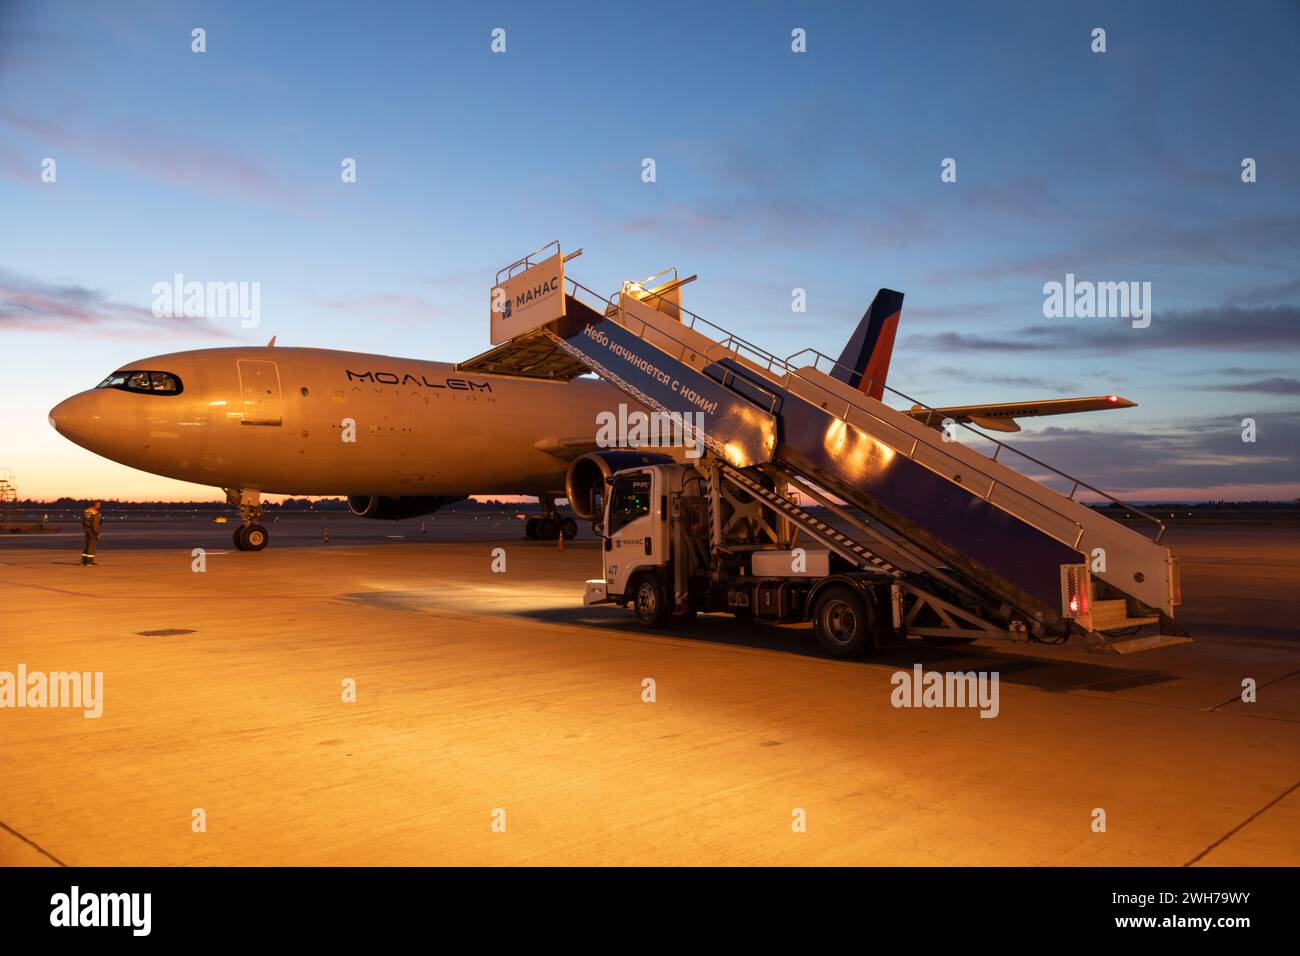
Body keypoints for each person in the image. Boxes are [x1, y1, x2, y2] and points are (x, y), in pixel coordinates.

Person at [81, 500, 102, 566]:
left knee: (87, 545)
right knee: (92, 546)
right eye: (99, 504)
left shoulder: (87, 511)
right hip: (92, 531)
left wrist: (86, 529)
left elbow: (83, 521)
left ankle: (83, 562)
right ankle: (89, 562)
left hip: (87, 530)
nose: (100, 506)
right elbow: (95, 524)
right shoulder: (95, 513)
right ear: (96, 505)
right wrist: (97, 533)